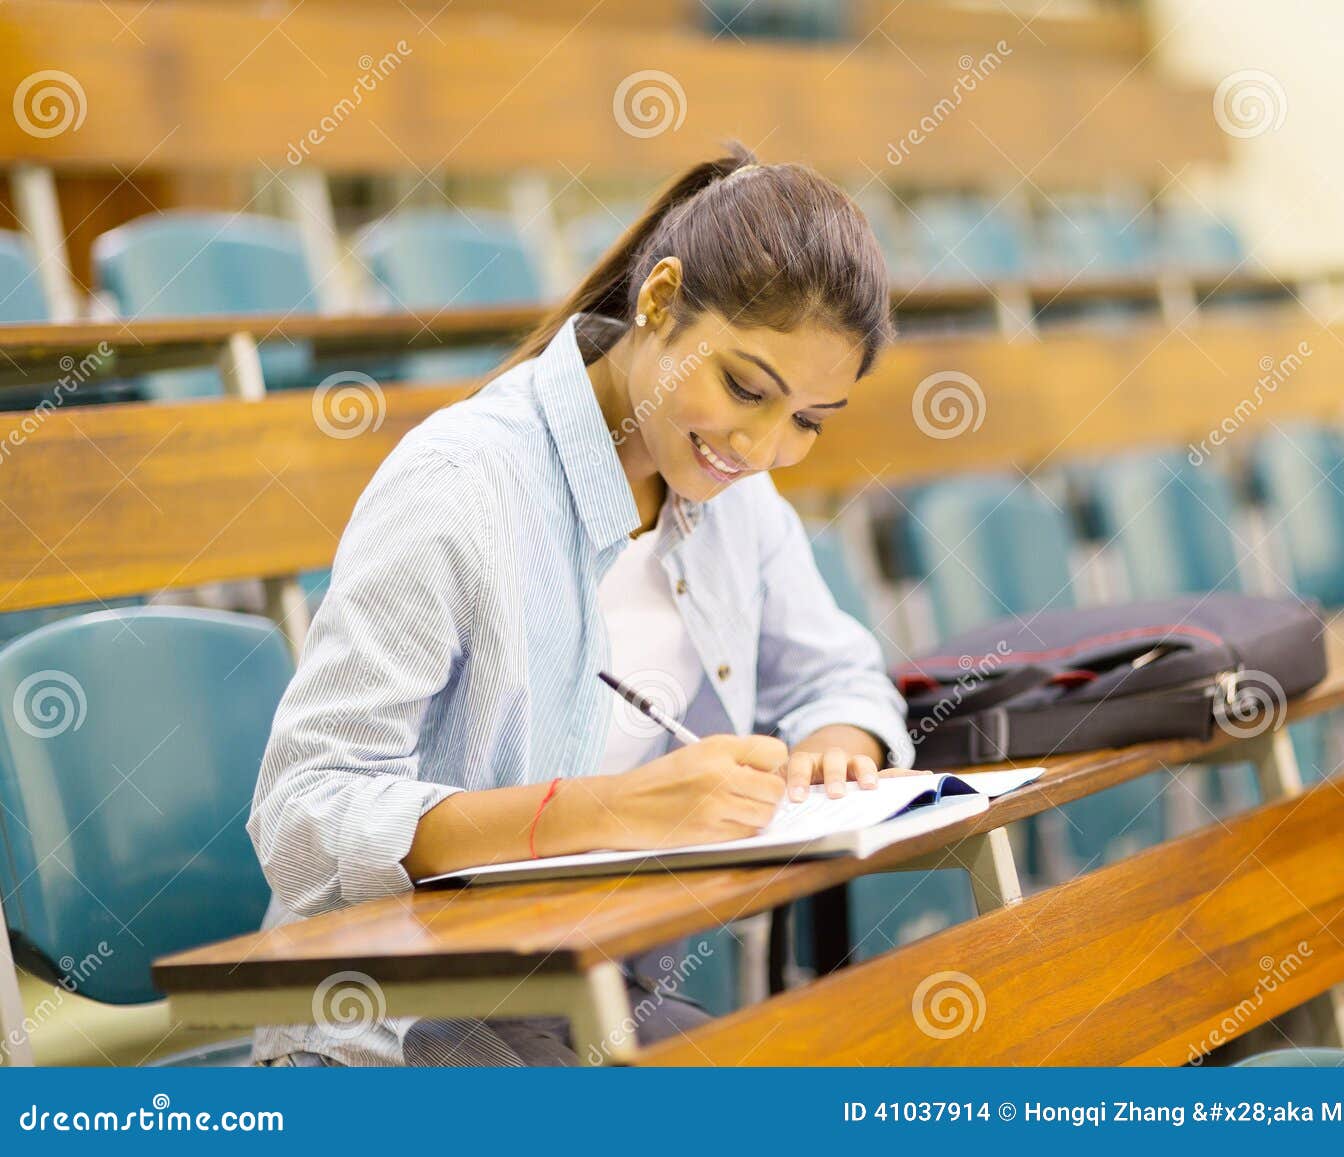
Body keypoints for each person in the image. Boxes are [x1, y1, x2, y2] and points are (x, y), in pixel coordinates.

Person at [247, 143, 915, 1066]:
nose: (762, 445)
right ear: (658, 300)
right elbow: (303, 808)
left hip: (589, 996)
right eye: (745, 388)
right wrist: (613, 810)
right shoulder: (462, 481)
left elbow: (838, 670)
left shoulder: (733, 496)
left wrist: (842, 745)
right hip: (391, 1024)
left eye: (806, 419)